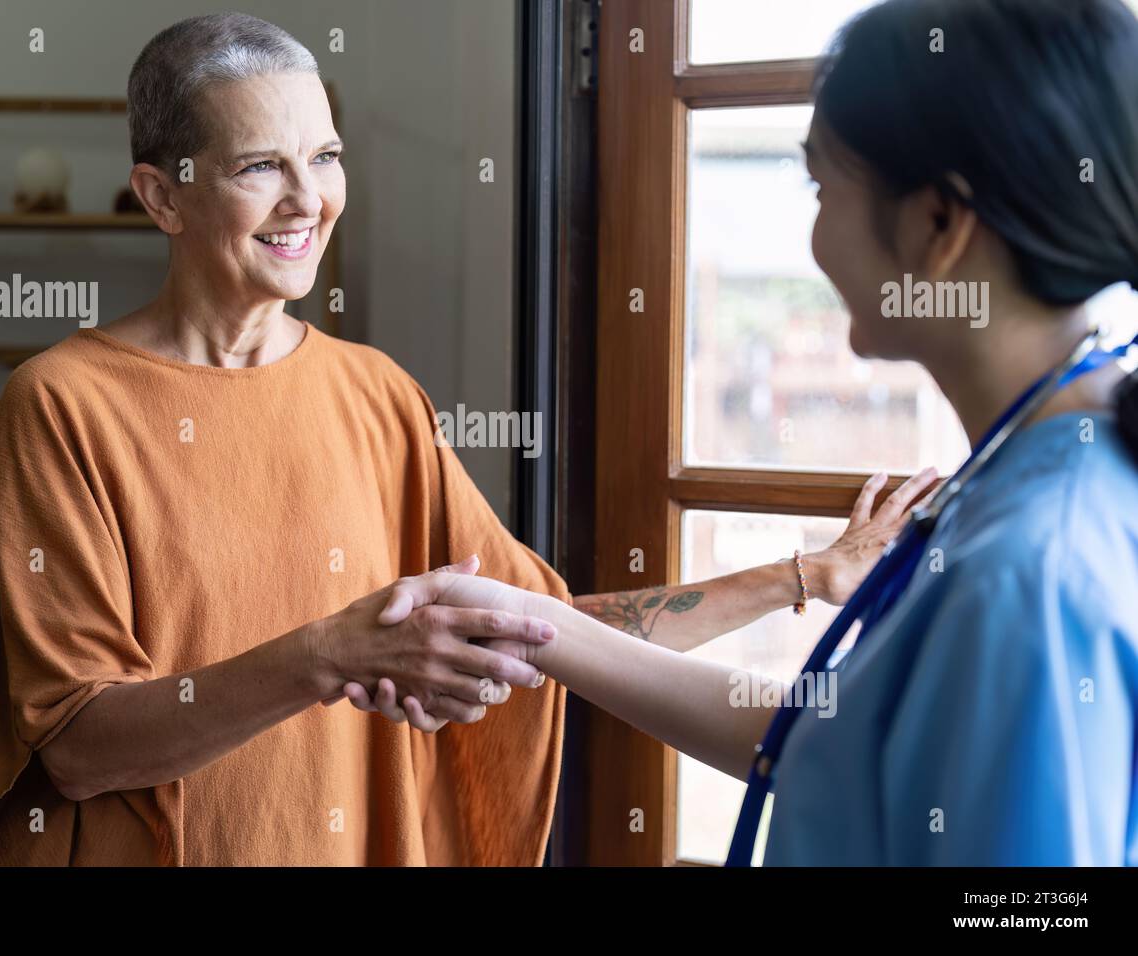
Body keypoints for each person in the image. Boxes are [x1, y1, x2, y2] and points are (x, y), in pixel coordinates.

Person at [0, 13, 914, 866]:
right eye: (259, 166)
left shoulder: (377, 394)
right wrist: (327, 651)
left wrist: (805, 577)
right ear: (162, 197)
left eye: (325, 158)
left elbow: (548, 632)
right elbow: (73, 745)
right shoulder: (63, 404)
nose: (307, 200)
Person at [348, 0, 1138, 866]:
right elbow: (838, 746)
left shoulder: (1031, 569)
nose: (814, 236)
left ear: (938, 227)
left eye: (821, 188)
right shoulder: (1041, 468)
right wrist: (537, 622)